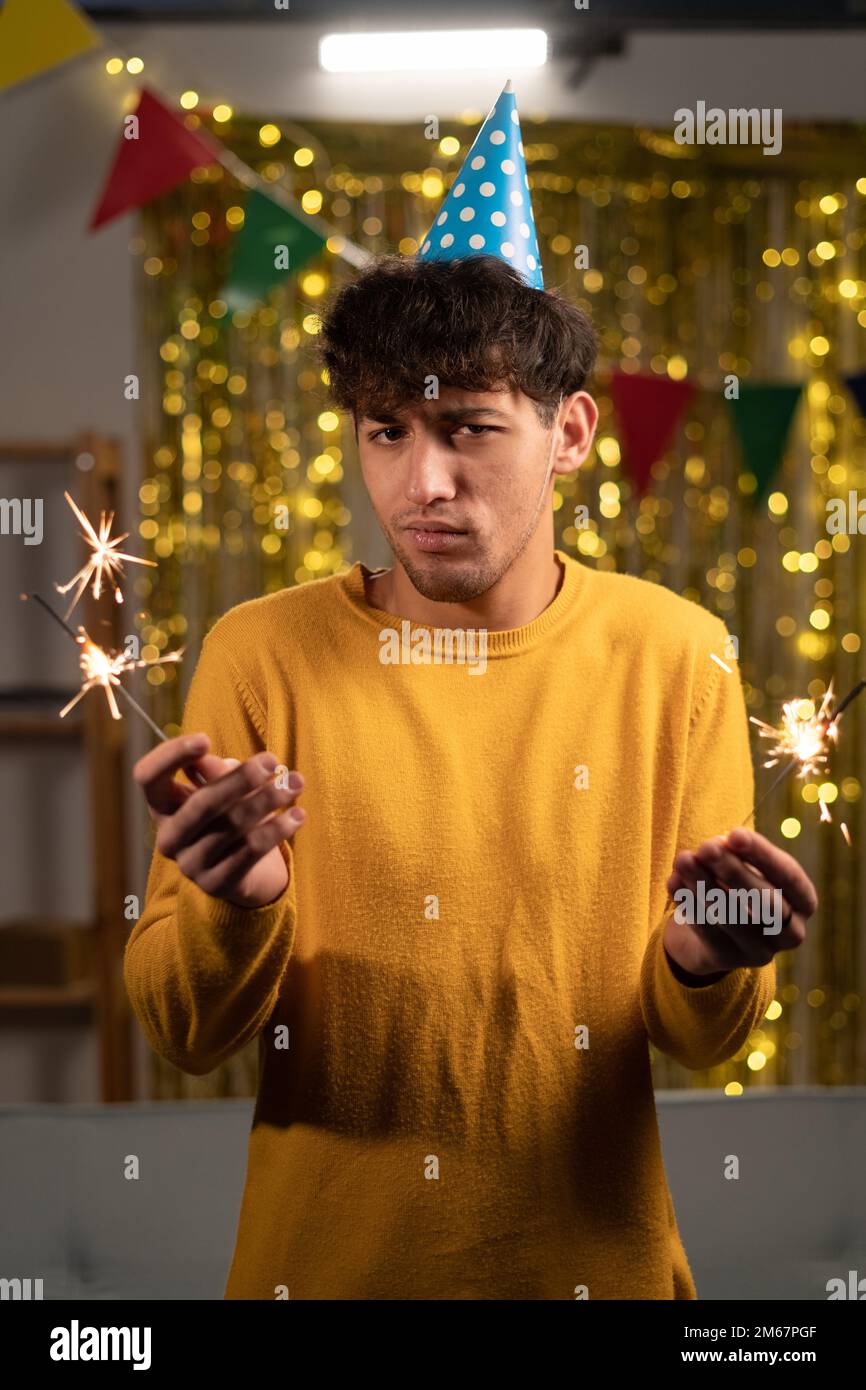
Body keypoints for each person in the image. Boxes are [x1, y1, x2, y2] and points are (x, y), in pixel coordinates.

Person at [125, 250, 817, 1300]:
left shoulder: (677, 656)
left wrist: (701, 960)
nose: (422, 483)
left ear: (569, 433)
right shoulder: (257, 653)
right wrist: (236, 907)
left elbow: (701, 1041)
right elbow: (185, 1034)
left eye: (468, 428)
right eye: (385, 430)